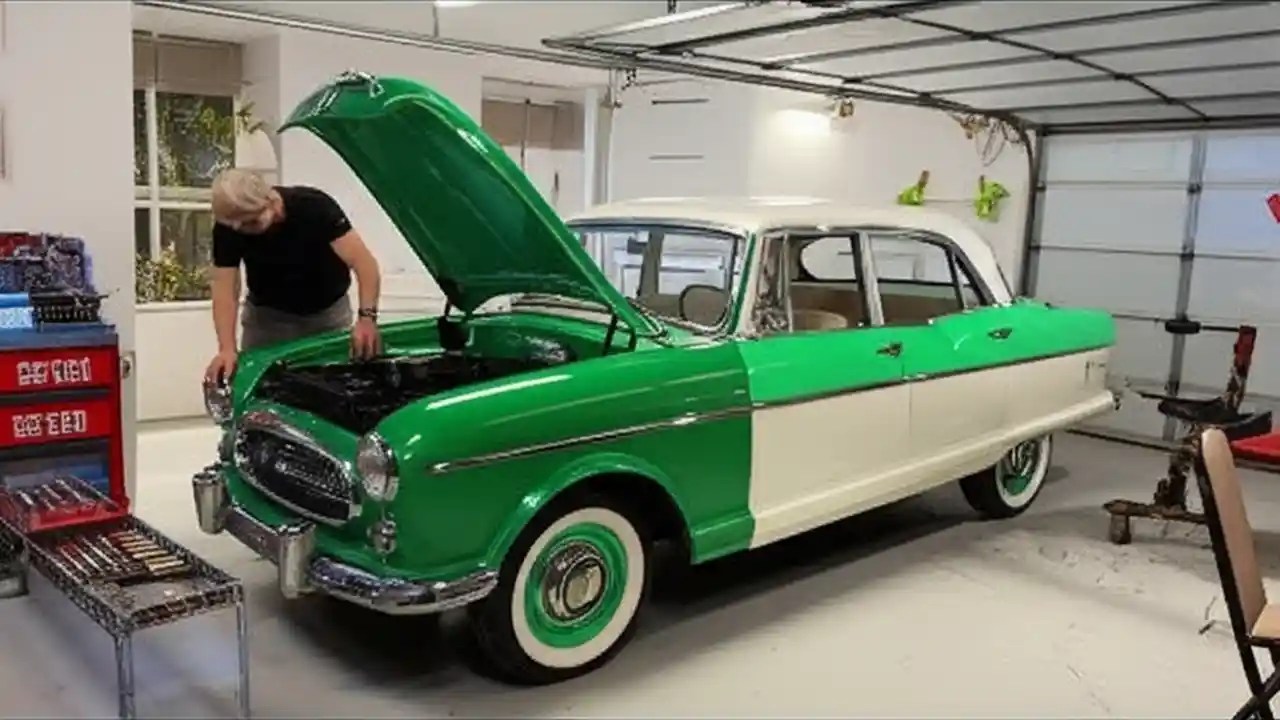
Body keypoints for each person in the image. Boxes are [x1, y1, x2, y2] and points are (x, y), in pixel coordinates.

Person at [203, 168, 383, 384]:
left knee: (330, 386)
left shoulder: (314, 207)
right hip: (267, 319)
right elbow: (224, 289)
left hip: (327, 316)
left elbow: (365, 265)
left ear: (270, 201)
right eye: (236, 226)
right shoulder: (231, 227)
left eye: (251, 222)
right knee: (261, 387)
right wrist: (227, 348)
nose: (242, 230)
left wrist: (366, 319)